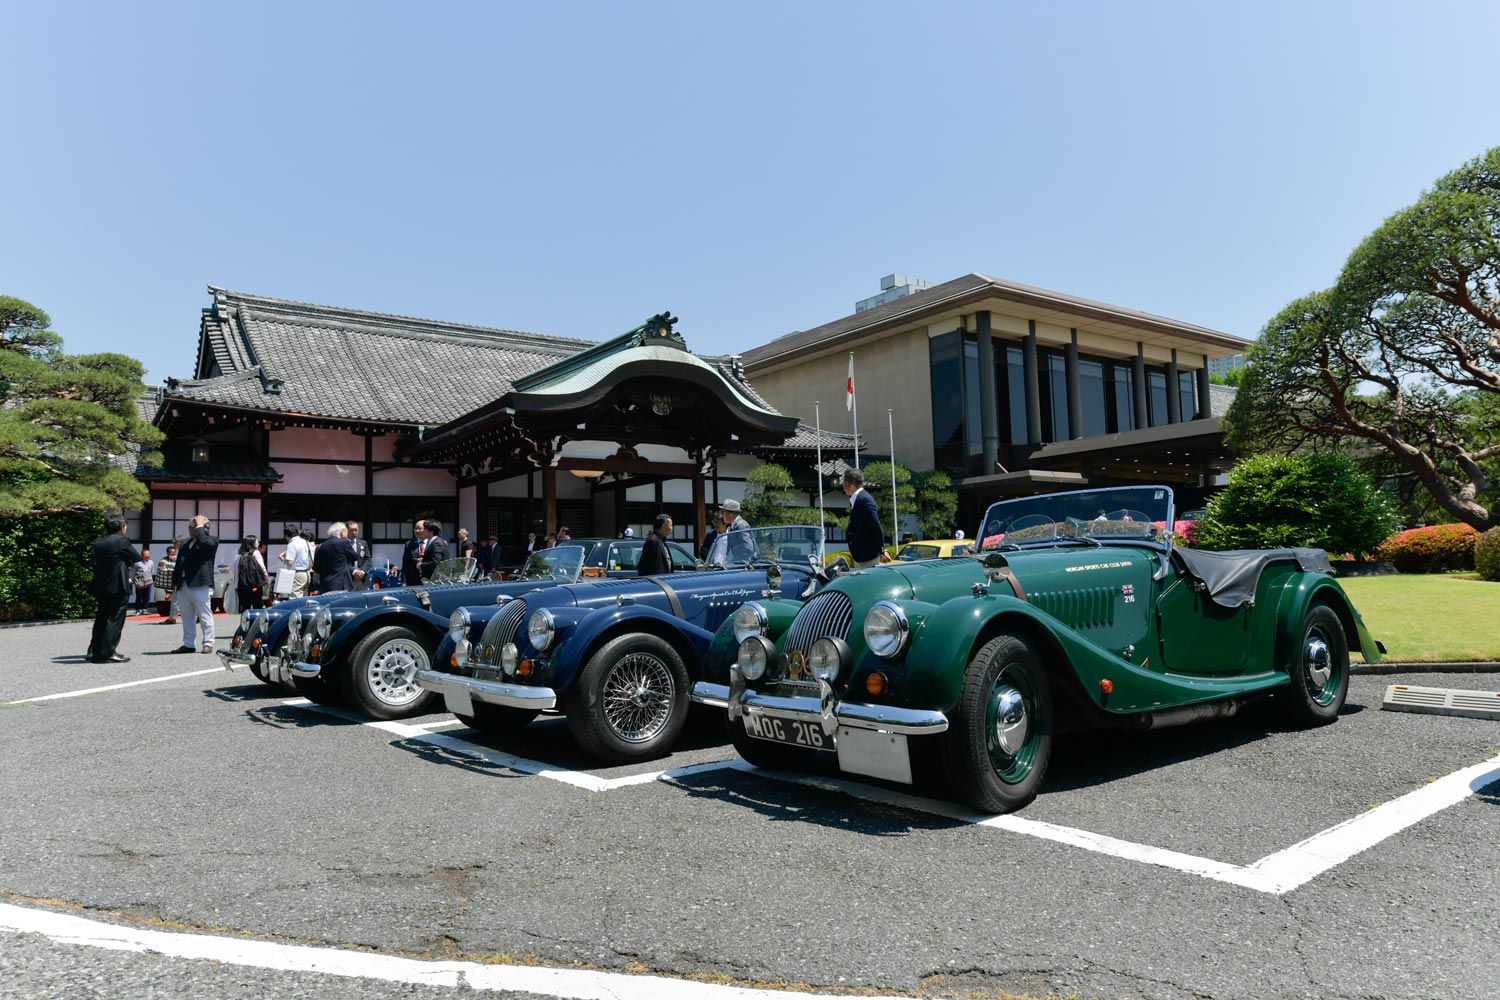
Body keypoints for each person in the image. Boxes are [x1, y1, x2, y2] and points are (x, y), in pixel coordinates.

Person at [87, 513, 139, 663]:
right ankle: (109, 651)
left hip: (100, 584)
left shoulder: (97, 542)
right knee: (115, 618)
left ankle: (95, 651)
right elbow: (136, 558)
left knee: (101, 617)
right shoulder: (121, 541)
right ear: (122, 527)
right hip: (118, 584)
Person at [171, 514, 220, 653]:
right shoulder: (186, 542)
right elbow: (179, 563)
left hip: (200, 584)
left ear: (203, 528)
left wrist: (200, 526)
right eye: (190, 527)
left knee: (204, 614)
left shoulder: (212, 540)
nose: (190, 530)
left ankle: (208, 643)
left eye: (193, 527)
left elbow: (204, 542)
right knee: (186, 616)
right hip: (184, 583)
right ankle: (188, 644)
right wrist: (175, 581)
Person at [842, 468, 888, 569]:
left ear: (847, 483)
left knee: (870, 584)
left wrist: (882, 550)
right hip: (862, 556)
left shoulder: (864, 499)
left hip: (868, 556)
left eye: (843, 483)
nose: (843, 487)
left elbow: (876, 526)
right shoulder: (859, 499)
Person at [313, 523, 359, 592]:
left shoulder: (320, 546)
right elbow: (355, 557)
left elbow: (316, 568)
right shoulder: (343, 543)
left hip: (325, 585)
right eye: (346, 532)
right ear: (342, 533)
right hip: (340, 584)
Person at [234, 535, 269, 612]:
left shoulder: (239, 554)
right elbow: (262, 567)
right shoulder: (256, 553)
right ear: (252, 543)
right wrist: (266, 579)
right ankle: (256, 623)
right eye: (256, 541)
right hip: (255, 585)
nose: (258, 542)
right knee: (257, 605)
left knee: (245, 606)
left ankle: (245, 623)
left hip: (242, 585)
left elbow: (236, 570)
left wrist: (236, 584)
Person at [279, 525, 313, 597]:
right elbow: (311, 560)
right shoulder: (305, 542)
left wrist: (283, 559)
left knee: (294, 598)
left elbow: (290, 562)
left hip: (297, 574)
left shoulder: (292, 544)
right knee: (304, 598)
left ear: (286, 535)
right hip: (307, 573)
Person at [154, 543, 178, 620]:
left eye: (175, 552)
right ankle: (172, 617)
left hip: (179, 582)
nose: (174, 553)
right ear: (168, 553)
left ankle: (196, 616)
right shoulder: (164, 559)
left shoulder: (178, 558)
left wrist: (169, 564)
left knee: (181, 600)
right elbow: (161, 564)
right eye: (172, 552)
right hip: (169, 583)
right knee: (174, 600)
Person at [345, 520, 371, 590]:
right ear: (346, 530)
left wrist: (362, 571)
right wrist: (354, 571)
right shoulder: (342, 544)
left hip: (362, 579)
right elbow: (342, 562)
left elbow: (368, 559)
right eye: (351, 530)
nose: (354, 532)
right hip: (349, 579)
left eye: (356, 530)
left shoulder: (363, 543)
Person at [129, 548, 156, 615]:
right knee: (139, 596)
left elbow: (152, 571)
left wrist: (152, 579)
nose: (147, 556)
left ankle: (145, 609)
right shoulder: (137, 563)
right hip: (140, 580)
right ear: (142, 555)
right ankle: (138, 609)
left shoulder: (151, 562)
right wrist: (131, 579)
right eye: (146, 555)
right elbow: (133, 572)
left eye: (148, 554)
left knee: (147, 596)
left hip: (148, 580)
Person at [401, 520, 426, 585]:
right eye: (415, 529)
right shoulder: (409, 544)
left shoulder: (432, 543)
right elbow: (405, 564)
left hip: (428, 580)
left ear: (426, 530)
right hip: (413, 581)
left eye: (419, 529)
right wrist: (404, 581)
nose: (417, 531)